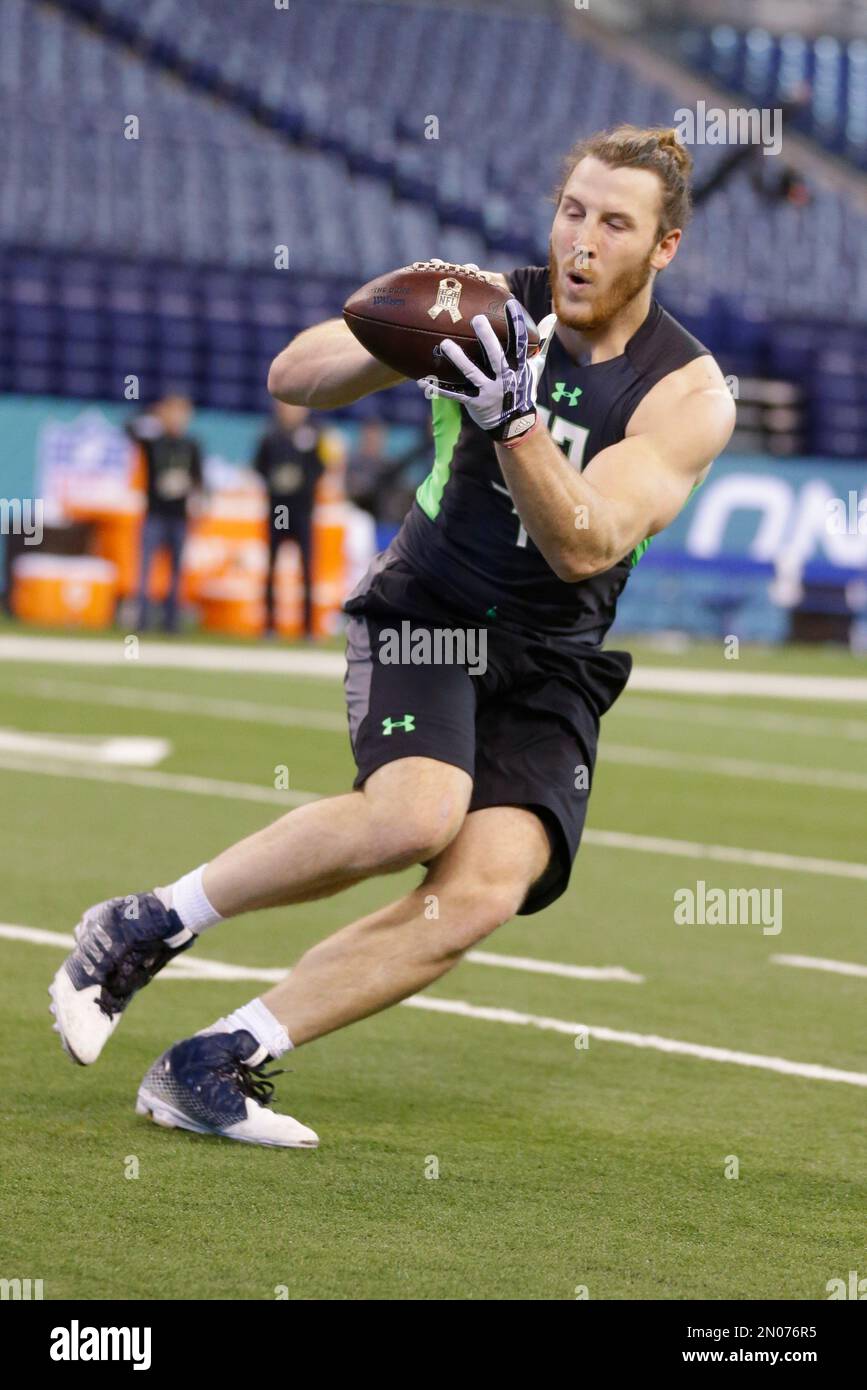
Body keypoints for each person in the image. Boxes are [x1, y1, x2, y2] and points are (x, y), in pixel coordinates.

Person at [50, 126, 735, 1148]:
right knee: (419, 812)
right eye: (573, 211)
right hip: (432, 608)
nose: (582, 242)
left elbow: (584, 545)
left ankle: (215, 1059)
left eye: (615, 224)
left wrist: (513, 421)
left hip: (553, 655)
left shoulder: (689, 393)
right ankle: (147, 921)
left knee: (485, 887)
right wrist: (398, 335)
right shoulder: (485, 308)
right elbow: (297, 375)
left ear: (665, 246)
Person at [130, 395, 203, 633]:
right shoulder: (153, 442)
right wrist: (152, 416)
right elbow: (128, 428)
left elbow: (198, 480)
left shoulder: (191, 445)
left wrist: (195, 501)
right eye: (172, 412)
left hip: (179, 516)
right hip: (155, 514)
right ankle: (142, 620)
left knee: (176, 573)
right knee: (145, 571)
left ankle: (171, 622)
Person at [252, 401, 324, 637]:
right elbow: (259, 466)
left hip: (302, 511)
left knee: (307, 569)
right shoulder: (271, 436)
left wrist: (301, 481)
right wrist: (276, 479)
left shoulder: (312, 435)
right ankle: (269, 625)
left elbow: (320, 468)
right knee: (272, 566)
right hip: (279, 510)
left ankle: (308, 627)